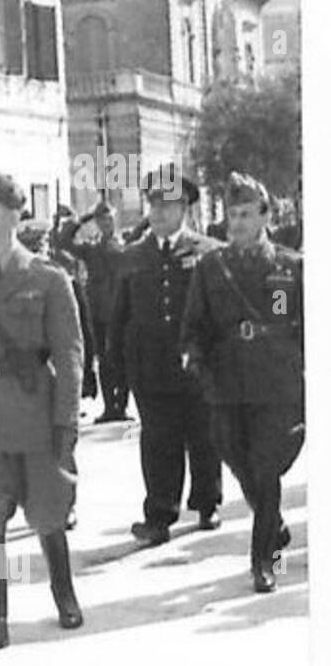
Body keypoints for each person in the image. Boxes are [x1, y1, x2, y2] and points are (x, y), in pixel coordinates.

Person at [0, 172, 84, 658]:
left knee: (48, 506)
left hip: (33, 409)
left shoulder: (48, 279)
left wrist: (66, 420)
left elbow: (69, 354)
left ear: (10, 215)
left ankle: (63, 594)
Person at [181, 172, 304, 593]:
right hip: (228, 381)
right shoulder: (211, 268)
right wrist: (193, 354)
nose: (237, 223)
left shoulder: (290, 267)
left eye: (247, 214)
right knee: (237, 457)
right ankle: (274, 522)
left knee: (267, 467)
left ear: (265, 216)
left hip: (276, 382)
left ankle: (263, 560)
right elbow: (194, 323)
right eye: (233, 215)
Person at [107, 167, 223, 545]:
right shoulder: (132, 256)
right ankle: (159, 515)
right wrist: (115, 369)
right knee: (158, 441)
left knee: (203, 437)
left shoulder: (207, 253)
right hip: (150, 367)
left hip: (196, 366)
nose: (158, 212)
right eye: (153, 204)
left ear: (184, 209)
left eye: (167, 205)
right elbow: (119, 316)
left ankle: (207, 502)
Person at [56, 199, 127, 421]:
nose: (106, 223)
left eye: (108, 219)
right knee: (105, 360)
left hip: (121, 310)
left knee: (122, 359)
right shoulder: (91, 249)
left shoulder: (126, 246)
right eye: (101, 220)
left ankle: (121, 406)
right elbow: (64, 241)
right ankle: (110, 407)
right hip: (98, 311)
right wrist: (83, 218)